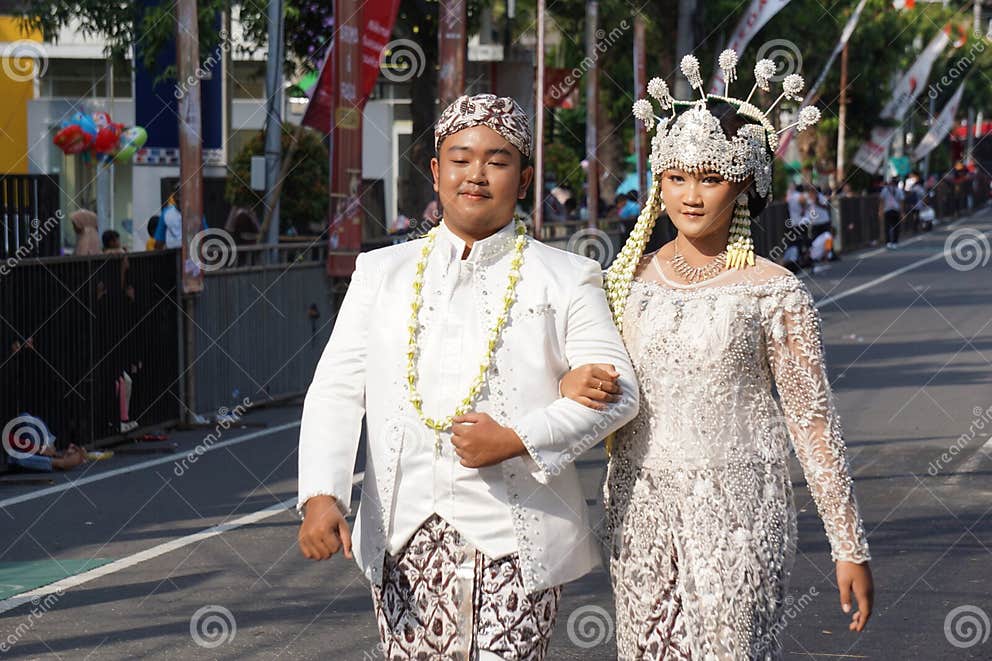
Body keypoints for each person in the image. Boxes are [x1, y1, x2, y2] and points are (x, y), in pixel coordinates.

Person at [296, 93, 639, 659]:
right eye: (460, 158)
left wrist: (516, 438)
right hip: (403, 539)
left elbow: (617, 391)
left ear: (524, 179)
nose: (476, 174)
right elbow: (337, 385)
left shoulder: (566, 277)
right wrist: (321, 494)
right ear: (436, 172)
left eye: (497, 161)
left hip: (517, 537)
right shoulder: (381, 272)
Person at [560, 52, 874, 659]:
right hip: (638, 510)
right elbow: (579, 375)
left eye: (710, 177)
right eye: (676, 177)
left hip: (740, 514)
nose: (691, 196)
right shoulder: (626, 280)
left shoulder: (773, 290)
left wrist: (848, 545)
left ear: (748, 184)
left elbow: (812, 424)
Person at [880, 177, 904, 249]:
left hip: (887, 210)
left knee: (887, 227)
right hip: (895, 210)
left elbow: (881, 200)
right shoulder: (899, 190)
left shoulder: (885, 190)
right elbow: (901, 201)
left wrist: (880, 210)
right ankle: (894, 242)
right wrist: (902, 212)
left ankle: (888, 242)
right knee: (896, 227)